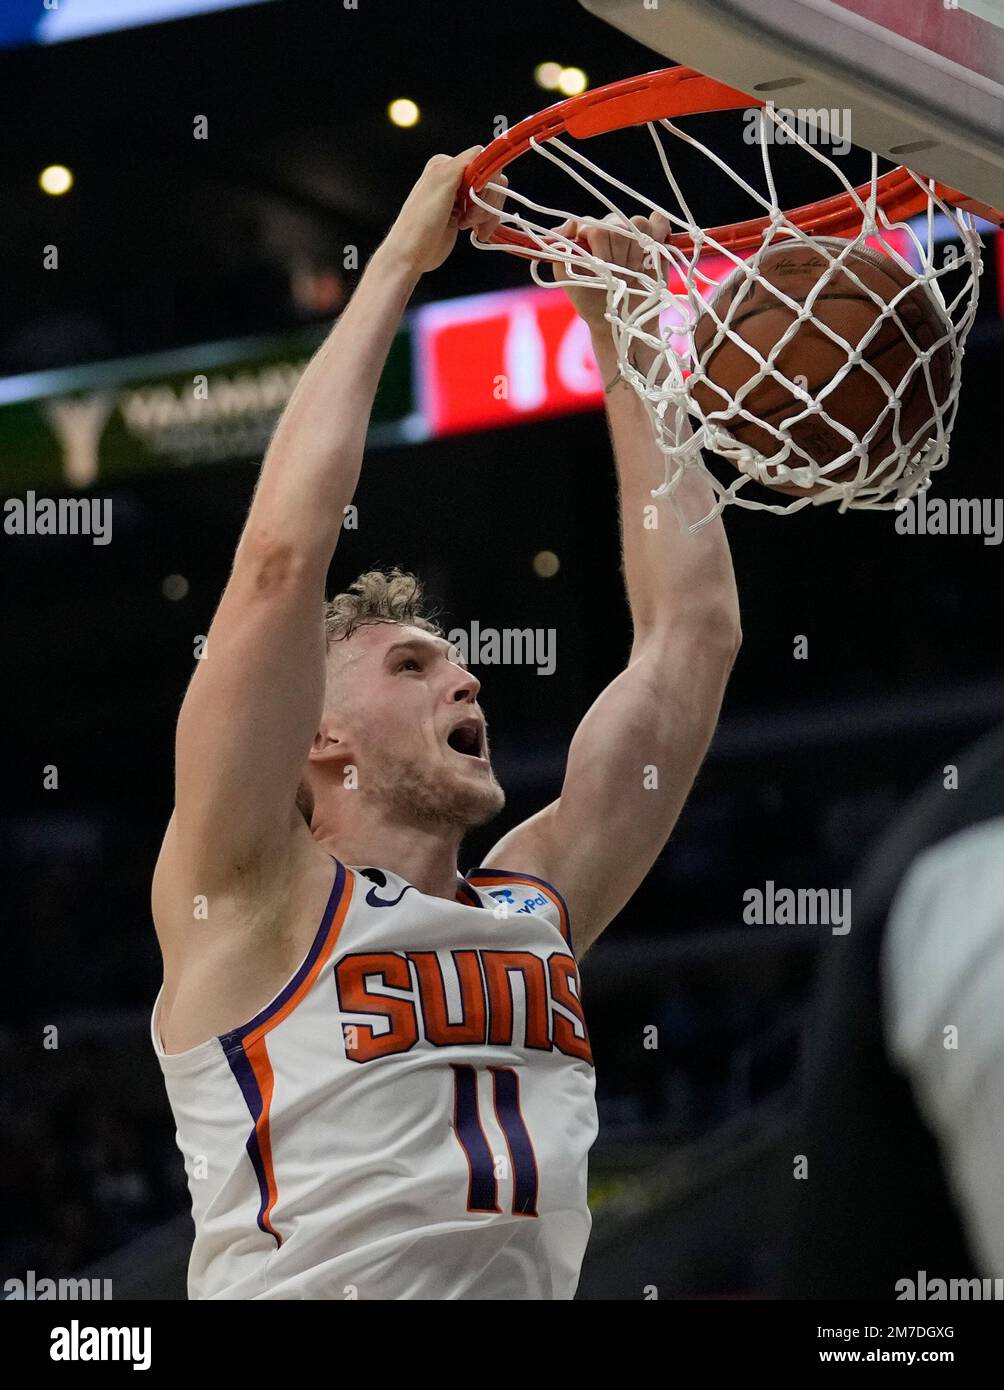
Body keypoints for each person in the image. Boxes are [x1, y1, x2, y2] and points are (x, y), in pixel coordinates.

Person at [150, 149, 742, 1300]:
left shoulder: (537, 900)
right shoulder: (250, 896)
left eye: (460, 666)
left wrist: (623, 343)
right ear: (319, 738)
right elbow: (278, 561)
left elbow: (693, 637)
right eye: (413, 666)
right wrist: (397, 269)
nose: (464, 685)